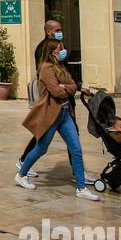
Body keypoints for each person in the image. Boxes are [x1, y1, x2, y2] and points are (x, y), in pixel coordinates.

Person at [16, 39, 98, 201]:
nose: (63, 51)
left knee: (76, 150)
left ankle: (81, 188)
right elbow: (56, 92)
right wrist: (67, 88)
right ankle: (21, 174)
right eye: (60, 49)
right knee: (41, 149)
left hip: (65, 113)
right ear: (52, 51)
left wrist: (67, 87)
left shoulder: (61, 67)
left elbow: (72, 85)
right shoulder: (46, 69)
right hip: (51, 114)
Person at [16, 19, 62, 178]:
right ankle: (23, 162)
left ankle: (79, 169)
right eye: (57, 30)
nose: (60, 32)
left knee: (70, 135)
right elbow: (47, 72)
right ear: (49, 32)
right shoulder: (44, 48)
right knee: (42, 132)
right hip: (50, 96)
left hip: (60, 98)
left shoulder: (56, 47)